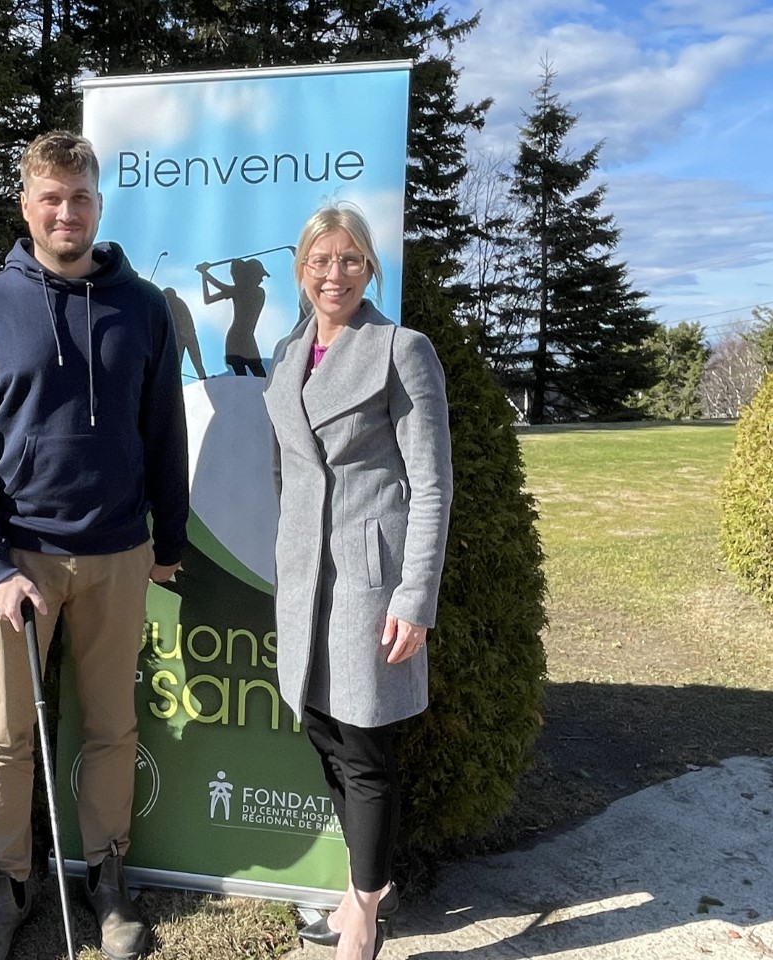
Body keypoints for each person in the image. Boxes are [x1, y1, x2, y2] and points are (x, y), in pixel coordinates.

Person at [0, 130, 189, 960]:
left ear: (99, 205)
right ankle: (7, 886)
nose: (66, 212)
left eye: (80, 198)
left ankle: (109, 882)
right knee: (5, 736)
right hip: (18, 563)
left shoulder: (143, 307)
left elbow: (164, 435)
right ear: (27, 206)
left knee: (113, 727)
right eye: (51, 198)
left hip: (116, 555)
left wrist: (168, 540)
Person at [262, 205, 453, 960]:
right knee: (323, 734)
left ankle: (366, 910)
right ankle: (361, 884)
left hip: (370, 580)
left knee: (365, 748)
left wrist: (416, 596)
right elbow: (286, 470)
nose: (333, 275)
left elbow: (432, 484)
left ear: (370, 267)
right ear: (301, 269)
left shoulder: (403, 350)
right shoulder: (285, 353)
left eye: (348, 261)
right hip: (304, 578)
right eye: (319, 260)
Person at [195, 256, 269, 376]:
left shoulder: (257, 293)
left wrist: (204, 273)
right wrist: (204, 275)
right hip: (236, 340)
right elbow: (208, 299)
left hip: (245, 339)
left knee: (260, 377)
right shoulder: (241, 291)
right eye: (259, 276)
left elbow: (221, 287)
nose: (261, 280)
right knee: (243, 379)